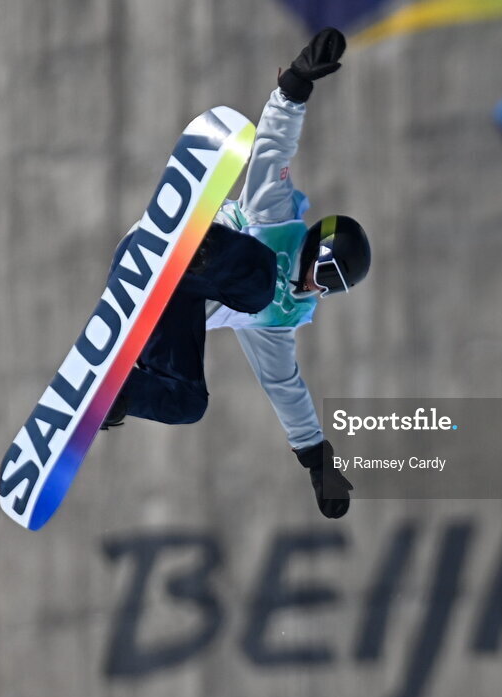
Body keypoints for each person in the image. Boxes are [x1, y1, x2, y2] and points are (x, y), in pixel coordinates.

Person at [102, 28, 370, 520]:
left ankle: (115, 396)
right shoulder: (276, 215)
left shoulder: (280, 319)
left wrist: (315, 457)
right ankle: (192, 250)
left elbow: (283, 384)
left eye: (331, 289)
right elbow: (272, 147)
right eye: (325, 274)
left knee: (188, 403)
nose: (319, 288)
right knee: (260, 279)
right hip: (167, 253)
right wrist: (294, 85)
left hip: (163, 310)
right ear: (317, 248)